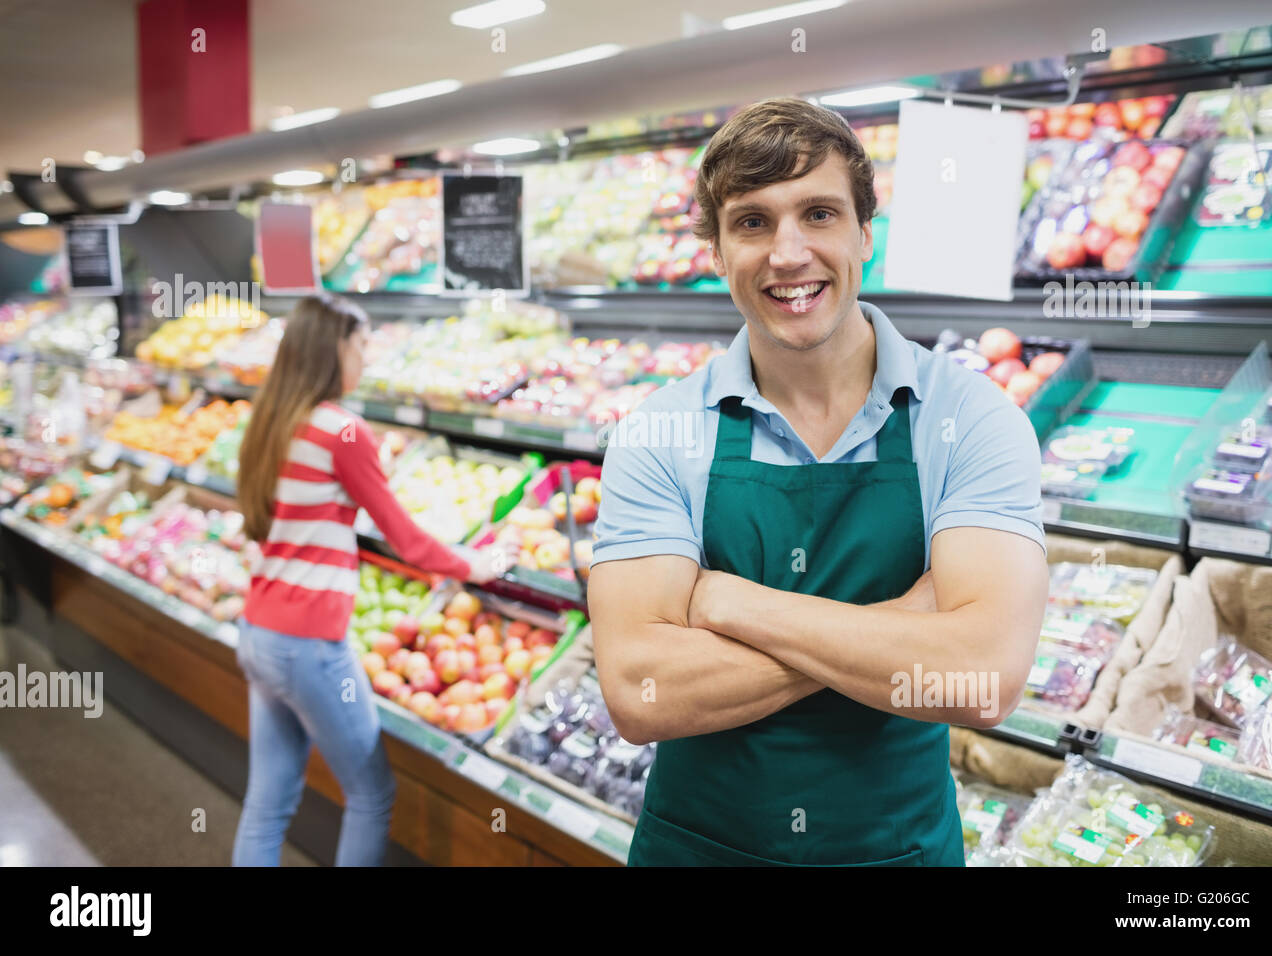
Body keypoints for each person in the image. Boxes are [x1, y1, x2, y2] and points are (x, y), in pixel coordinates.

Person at [589, 98, 1049, 866]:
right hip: (700, 850)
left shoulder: (971, 418)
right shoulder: (659, 431)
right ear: (715, 249)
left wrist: (733, 603)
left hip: (895, 852)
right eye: (753, 222)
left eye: (820, 214)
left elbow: (977, 682)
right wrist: (904, 624)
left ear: (865, 231)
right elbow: (642, 696)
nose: (788, 252)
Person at [232, 293, 515, 866]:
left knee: (267, 803)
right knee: (371, 792)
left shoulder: (270, 420)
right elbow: (407, 540)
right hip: (309, 646)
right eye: (361, 346)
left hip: (258, 633)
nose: (366, 360)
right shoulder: (342, 431)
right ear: (333, 349)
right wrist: (474, 564)